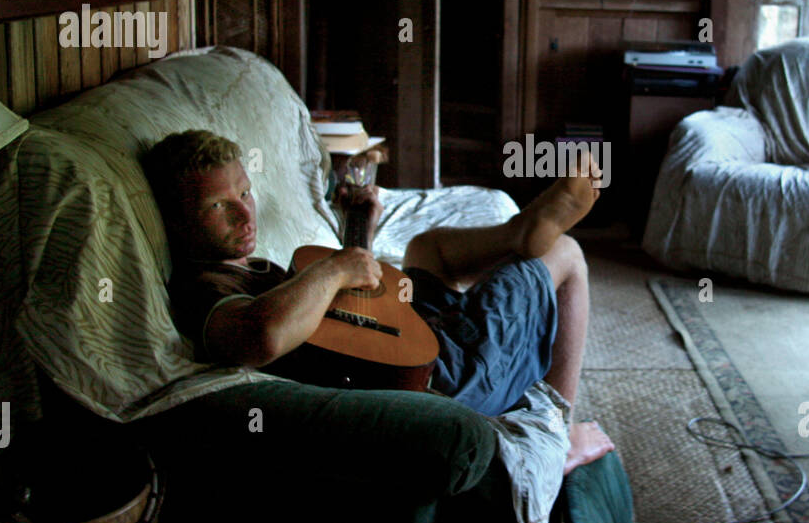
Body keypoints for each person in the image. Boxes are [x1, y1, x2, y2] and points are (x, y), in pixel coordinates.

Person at [140, 129, 615, 473]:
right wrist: (334, 267)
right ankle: (559, 435)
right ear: (178, 222)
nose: (245, 214)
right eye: (219, 207)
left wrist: (358, 228)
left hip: (406, 333)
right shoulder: (203, 286)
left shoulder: (248, 267)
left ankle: (519, 232)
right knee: (566, 254)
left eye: (245, 192)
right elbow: (260, 336)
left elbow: (343, 321)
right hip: (442, 375)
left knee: (426, 249)